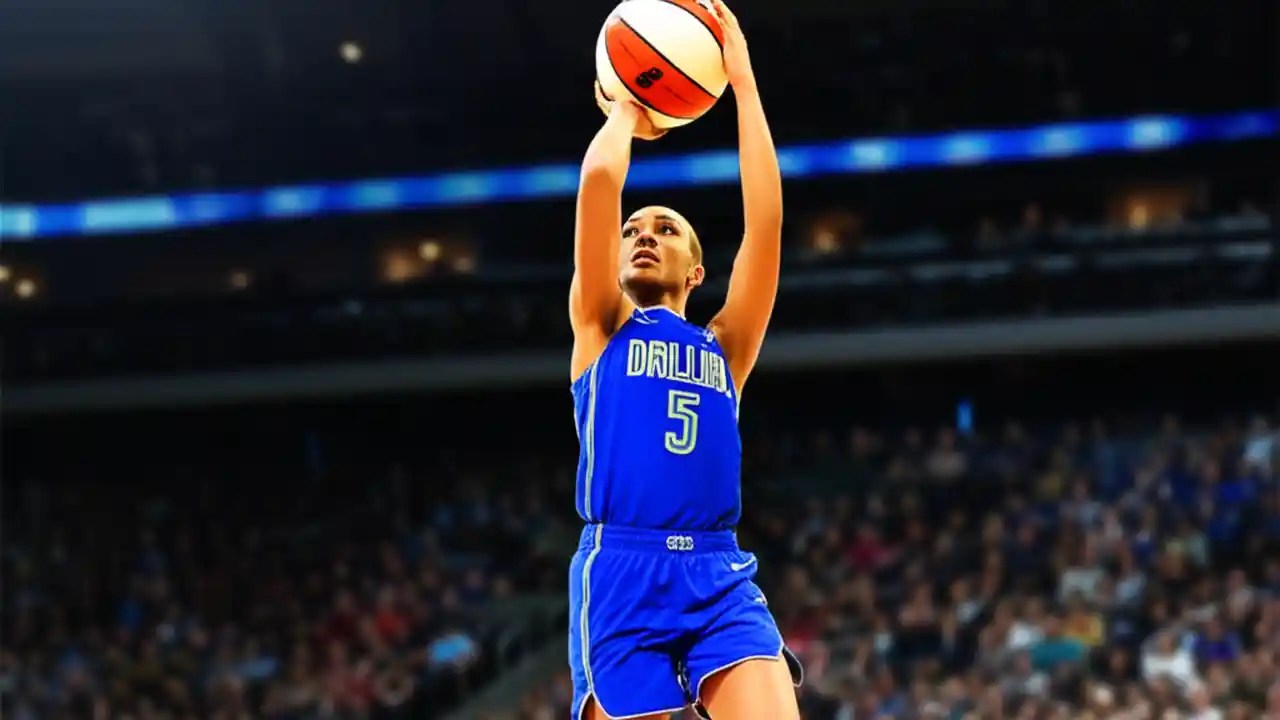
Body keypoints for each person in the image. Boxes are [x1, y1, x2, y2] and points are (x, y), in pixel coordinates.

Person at [566, 1, 800, 718]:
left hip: (716, 567)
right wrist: (626, 111)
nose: (643, 235)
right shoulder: (600, 323)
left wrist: (745, 82)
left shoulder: (725, 347)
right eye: (634, 229)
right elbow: (601, 186)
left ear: (697, 271)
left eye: (666, 229)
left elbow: (765, 222)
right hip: (622, 567)